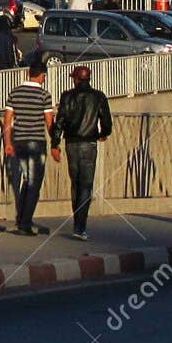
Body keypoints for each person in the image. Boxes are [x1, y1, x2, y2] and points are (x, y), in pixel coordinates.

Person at [50, 64, 112, 240]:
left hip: (71, 144)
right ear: (88, 79)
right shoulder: (98, 97)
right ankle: (80, 226)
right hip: (89, 144)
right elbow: (106, 121)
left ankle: (78, 223)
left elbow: (59, 122)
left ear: (76, 79)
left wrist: (55, 144)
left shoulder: (67, 96)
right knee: (86, 185)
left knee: (75, 183)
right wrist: (103, 134)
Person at [3, 61, 54, 236]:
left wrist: (8, 142)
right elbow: (49, 123)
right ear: (42, 76)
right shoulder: (44, 95)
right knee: (34, 183)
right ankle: (25, 223)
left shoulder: (14, 93)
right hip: (36, 142)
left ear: (28, 73)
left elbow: (8, 121)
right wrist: (55, 142)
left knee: (27, 180)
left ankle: (23, 218)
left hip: (19, 142)